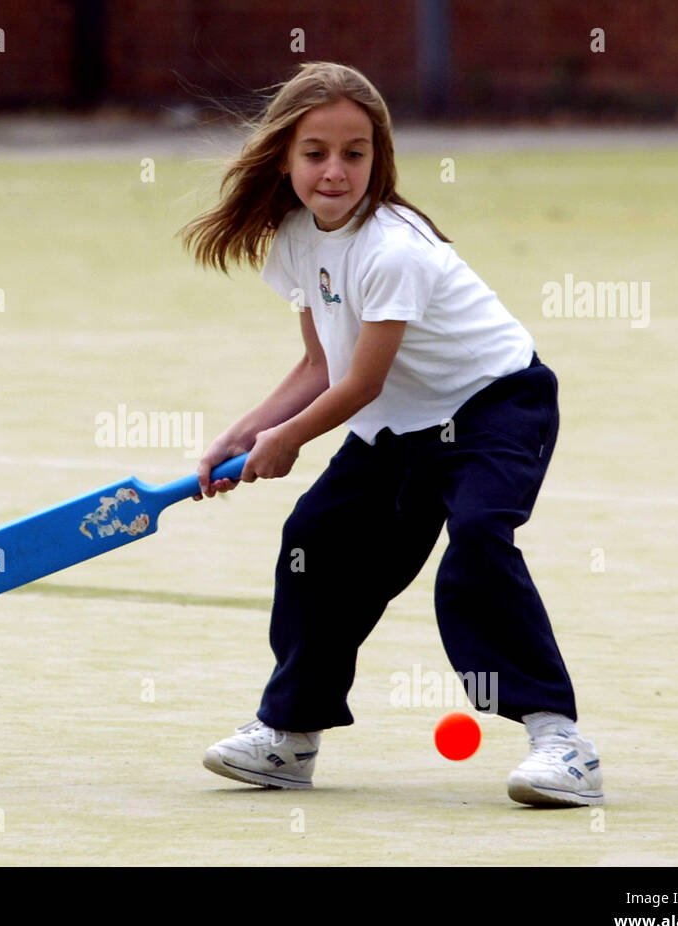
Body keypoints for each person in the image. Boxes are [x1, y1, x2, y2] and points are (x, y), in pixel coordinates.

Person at [178, 62, 602, 807]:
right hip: (395, 429)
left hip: (493, 406)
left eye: (355, 153)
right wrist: (242, 433)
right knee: (316, 543)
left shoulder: (393, 247)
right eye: (316, 153)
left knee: (476, 542)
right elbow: (321, 362)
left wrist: (286, 442)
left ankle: (561, 742)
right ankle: (288, 736)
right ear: (285, 156)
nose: (335, 171)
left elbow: (359, 382)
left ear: (380, 158)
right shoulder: (294, 239)